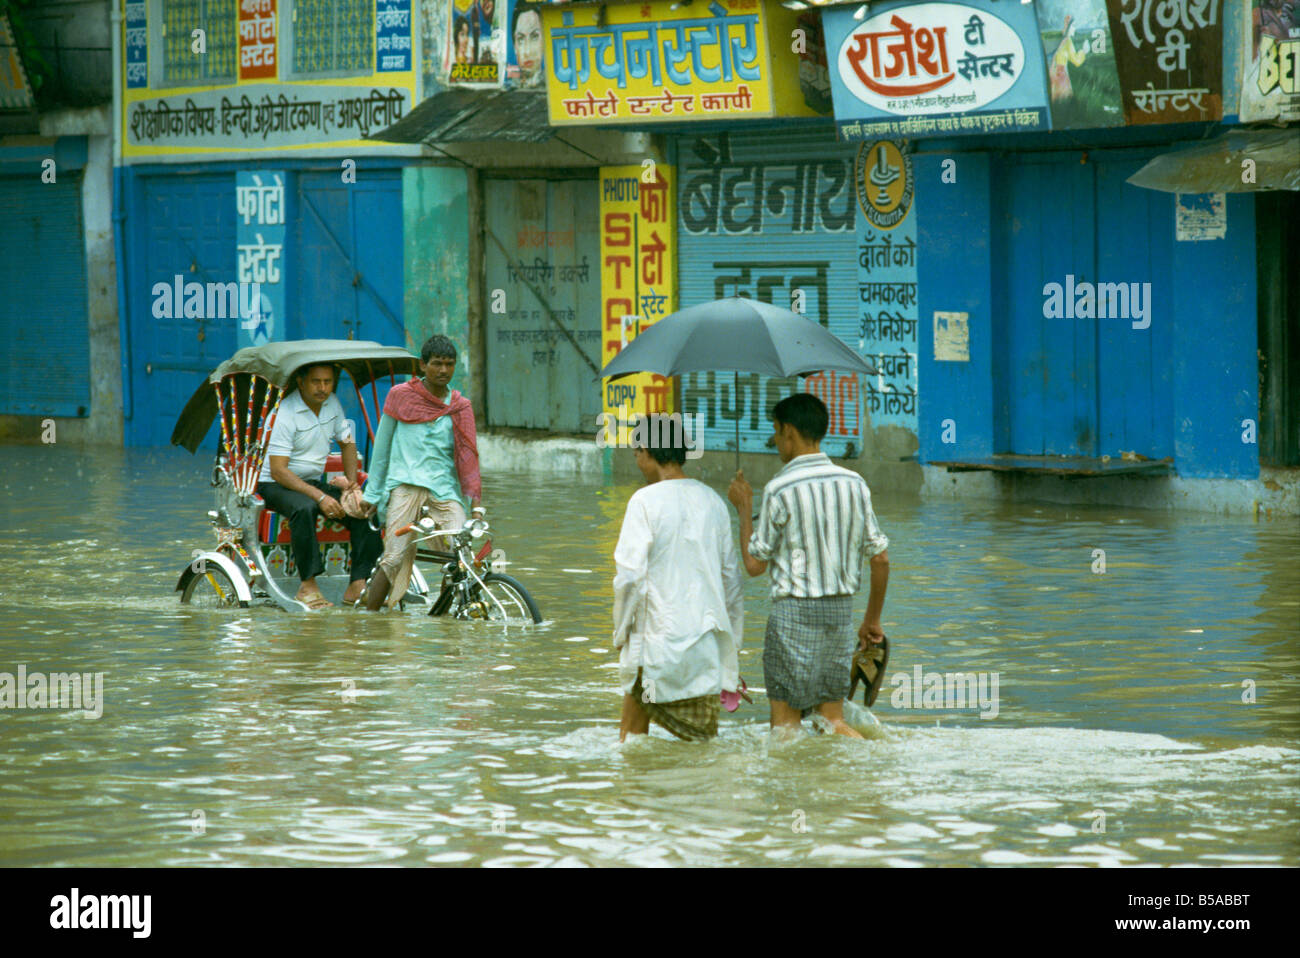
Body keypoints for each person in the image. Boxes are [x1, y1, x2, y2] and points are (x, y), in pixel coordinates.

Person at [726, 393, 890, 739]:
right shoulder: (855, 484)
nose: (775, 442)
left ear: (788, 431)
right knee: (833, 721)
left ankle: (792, 792)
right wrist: (871, 620)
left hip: (792, 618)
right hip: (840, 618)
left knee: (785, 727)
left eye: (775, 432)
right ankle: (869, 764)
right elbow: (880, 558)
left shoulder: (779, 488)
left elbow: (754, 564)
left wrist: (744, 508)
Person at [614, 426, 745, 742]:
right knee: (701, 747)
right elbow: (732, 583)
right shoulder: (713, 502)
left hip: (656, 647)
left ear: (647, 453)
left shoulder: (643, 502)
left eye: (637, 455)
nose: (637, 463)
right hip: (705, 650)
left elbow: (630, 579)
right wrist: (731, 648)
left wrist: (620, 632)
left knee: (632, 741)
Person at [363, 335, 481, 611]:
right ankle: (368, 625)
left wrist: (476, 507)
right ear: (423, 365)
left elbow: (469, 459)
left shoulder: (460, 407)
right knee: (392, 558)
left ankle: (442, 618)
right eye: (437, 364)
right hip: (405, 486)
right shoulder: (400, 397)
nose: (443, 370)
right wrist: (373, 494)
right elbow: (381, 451)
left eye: (449, 364)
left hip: (444, 490)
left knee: (460, 556)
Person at [255, 363, 382, 609]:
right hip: (274, 484)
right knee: (305, 508)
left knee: (366, 508)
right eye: (316, 381)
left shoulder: (332, 403)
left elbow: (347, 444)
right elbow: (280, 471)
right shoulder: (285, 412)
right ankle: (308, 586)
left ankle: (357, 583)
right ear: (301, 382)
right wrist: (320, 497)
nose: (322, 388)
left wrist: (351, 485)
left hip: (309, 482)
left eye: (327, 382)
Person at [510, 1, 543, 87]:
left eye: (535, 37)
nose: (527, 52)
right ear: (514, 46)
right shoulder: (509, 85)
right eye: (520, 40)